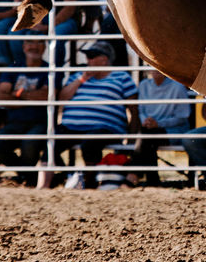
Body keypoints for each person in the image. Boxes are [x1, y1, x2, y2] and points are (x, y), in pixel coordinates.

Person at [46, 41, 139, 190]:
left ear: (104, 59)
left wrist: (131, 137)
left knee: (90, 144)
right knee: (50, 142)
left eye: (92, 56)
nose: (88, 60)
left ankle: (88, 184)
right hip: (71, 126)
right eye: (87, 57)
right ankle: (50, 182)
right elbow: (63, 98)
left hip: (105, 127)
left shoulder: (121, 76)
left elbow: (134, 109)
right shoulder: (78, 76)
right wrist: (81, 80)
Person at [0, 39, 50, 186]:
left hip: (40, 122)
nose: (34, 46)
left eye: (39, 42)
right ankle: (29, 176)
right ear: (23, 47)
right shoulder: (14, 68)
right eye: (30, 42)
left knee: (30, 142)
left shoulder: (49, 69)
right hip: (14, 122)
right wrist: (32, 96)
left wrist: (18, 94)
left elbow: (47, 96)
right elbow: (3, 98)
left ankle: (28, 179)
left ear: (45, 47)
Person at [134, 70, 193, 186]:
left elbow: (182, 117)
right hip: (150, 129)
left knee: (147, 136)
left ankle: (137, 174)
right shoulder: (144, 85)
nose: (155, 69)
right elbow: (141, 111)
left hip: (173, 131)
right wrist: (146, 121)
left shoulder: (178, 87)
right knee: (147, 136)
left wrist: (158, 124)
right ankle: (147, 179)